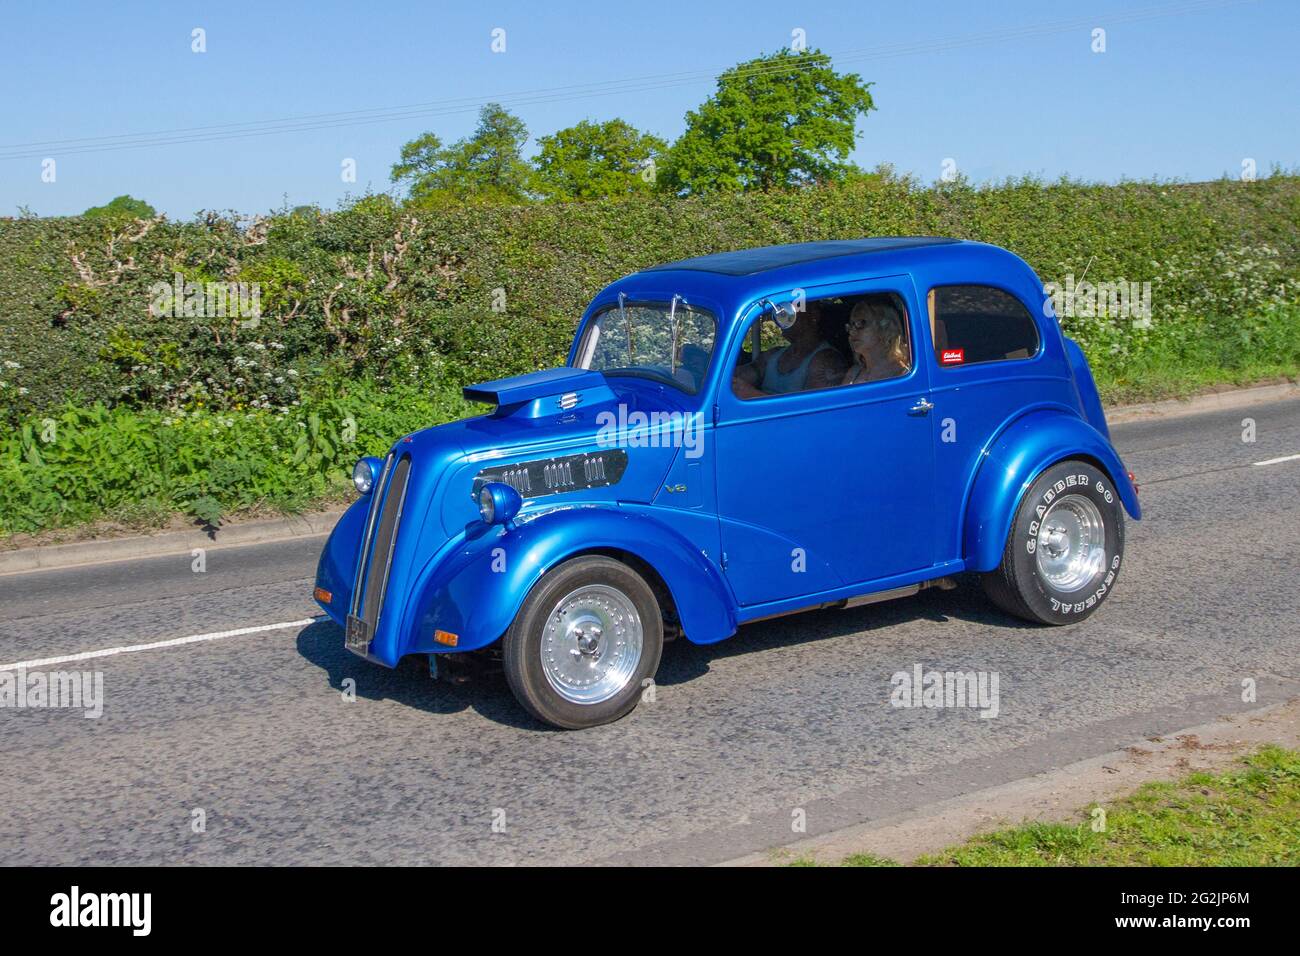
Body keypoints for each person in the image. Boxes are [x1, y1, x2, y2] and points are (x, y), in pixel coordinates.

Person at [733, 301, 848, 398]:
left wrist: (752, 394)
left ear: (814, 315)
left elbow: (811, 413)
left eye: (790, 310)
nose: (781, 315)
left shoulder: (827, 361)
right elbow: (742, 374)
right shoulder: (774, 354)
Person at [842, 298, 910, 385]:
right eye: (850, 325)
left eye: (861, 323)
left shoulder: (904, 373)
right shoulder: (854, 373)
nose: (851, 332)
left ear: (885, 327)